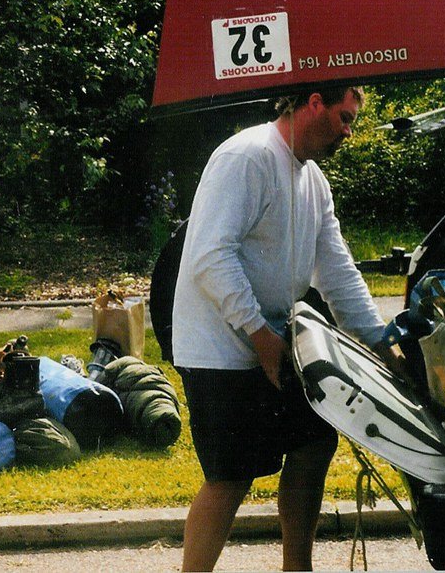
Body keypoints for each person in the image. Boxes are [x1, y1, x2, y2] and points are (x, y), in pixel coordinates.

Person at [171, 85, 403, 572]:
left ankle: (298, 569)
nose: (348, 130)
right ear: (313, 102)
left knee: (313, 442)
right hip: (220, 347)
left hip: (275, 340)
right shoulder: (247, 157)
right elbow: (210, 258)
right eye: (344, 117)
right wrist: (260, 335)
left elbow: (336, 271)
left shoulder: (313, 180)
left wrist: (380, 340)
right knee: (230, 476)